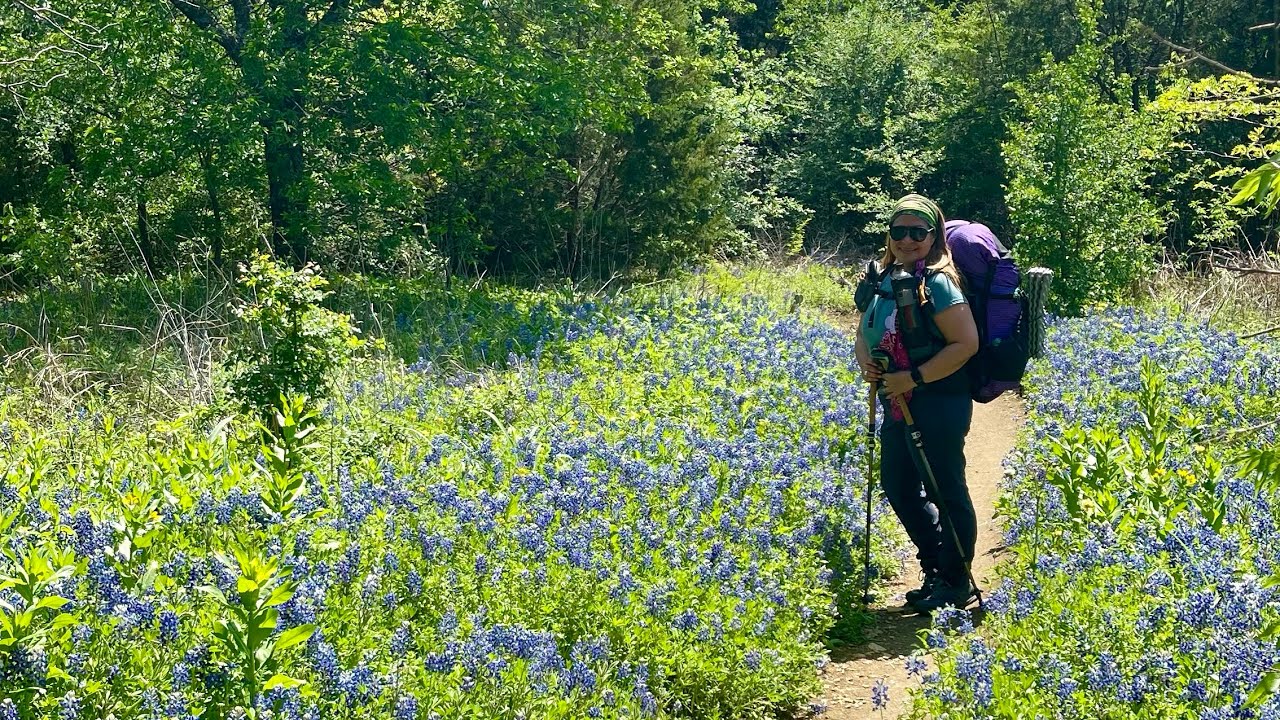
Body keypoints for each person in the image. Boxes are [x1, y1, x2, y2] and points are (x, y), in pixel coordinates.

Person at [854, 193, 980, 611]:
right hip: (896, 399)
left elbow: (966, 343)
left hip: (938, 399)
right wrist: (868, 365)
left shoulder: (939, 282)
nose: (907, 240)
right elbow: (863, 333)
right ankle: (935, 566)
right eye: (899, 231)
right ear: (888, 235)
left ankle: (955, 580)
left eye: (917, 232)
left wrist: (915, 375)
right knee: (899, 484)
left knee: (945, 488)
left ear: (933, 235)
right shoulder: (882, 278)